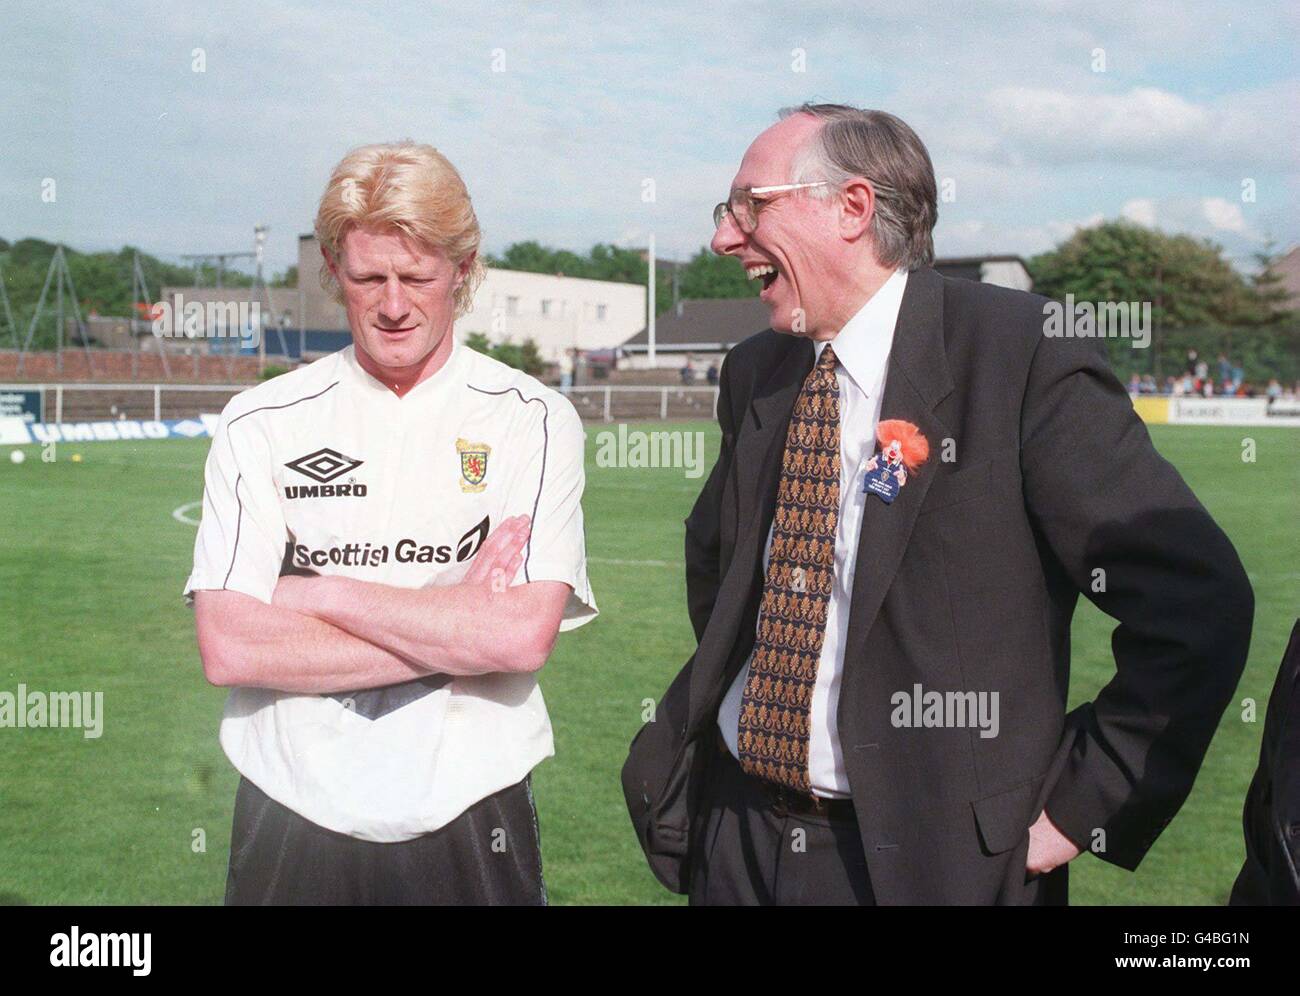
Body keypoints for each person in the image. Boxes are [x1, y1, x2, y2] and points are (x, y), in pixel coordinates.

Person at [622, 102, 1254, 905]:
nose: (724, 237)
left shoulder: (1022, 354)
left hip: (934, 864)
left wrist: (1077, 809)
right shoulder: (758, 370)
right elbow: (721, 570)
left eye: (752, 204)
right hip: (738, 837)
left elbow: (1197, 603)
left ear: (851, 207)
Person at [187, 141, 597, 905]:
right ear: (334, 274)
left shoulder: (532, 420)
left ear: (463, 273)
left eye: (418, 277)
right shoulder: (259, 421)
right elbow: (229, 645)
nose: (395, 304)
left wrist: (311, 593)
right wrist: (455, 624)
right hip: (290, 802)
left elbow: (516, 637)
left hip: (471, 806)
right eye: (369, 278)